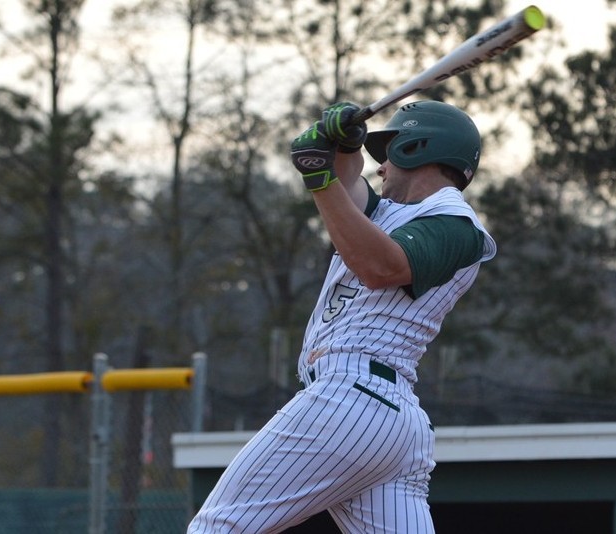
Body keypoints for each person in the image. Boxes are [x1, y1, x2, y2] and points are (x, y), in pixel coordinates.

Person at [188, 99, 496, 533]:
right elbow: (347, 191)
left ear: (417, 148)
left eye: (388, 151)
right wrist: (344, 145)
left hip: (352, 398)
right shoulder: (392, 212)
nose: (381, 165)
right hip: (384, 416)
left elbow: (381, 267)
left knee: (218, 528)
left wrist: (320, 176)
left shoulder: (456, 223)